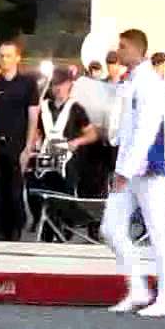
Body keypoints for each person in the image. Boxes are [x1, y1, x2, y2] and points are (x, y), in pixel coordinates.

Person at [102, 28, 165, 317]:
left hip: (151, 169)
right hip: (129, 168)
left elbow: (147, 131)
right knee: (110, 228)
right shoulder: (130, 82)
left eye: (122, 46)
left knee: (159, 233)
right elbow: (126, 126)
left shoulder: (152, 84)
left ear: (136, 49)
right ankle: (138, 288)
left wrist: (126, 169)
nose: (117, 51)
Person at [26, 67, 101, 242]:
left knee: (64, 200)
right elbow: (34, 131)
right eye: (55, 85)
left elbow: (92, 134)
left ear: (69, 85)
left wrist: (76, 142)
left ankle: (64, 233)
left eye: (62, 84)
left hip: (67, 163)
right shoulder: (43, 107)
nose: (58, 88)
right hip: (45, 162)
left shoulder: (76, 109)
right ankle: (46, 231)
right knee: (42, 197)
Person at [0, 40, 40, 241]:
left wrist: (28, 148)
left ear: (17, 58)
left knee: (15, 191)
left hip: (18, 144)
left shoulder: (28, 84)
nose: (3, 59)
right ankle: (0, 231)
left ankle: (16, 232)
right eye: (1, 55)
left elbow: (33, 118)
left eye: (8, 55)